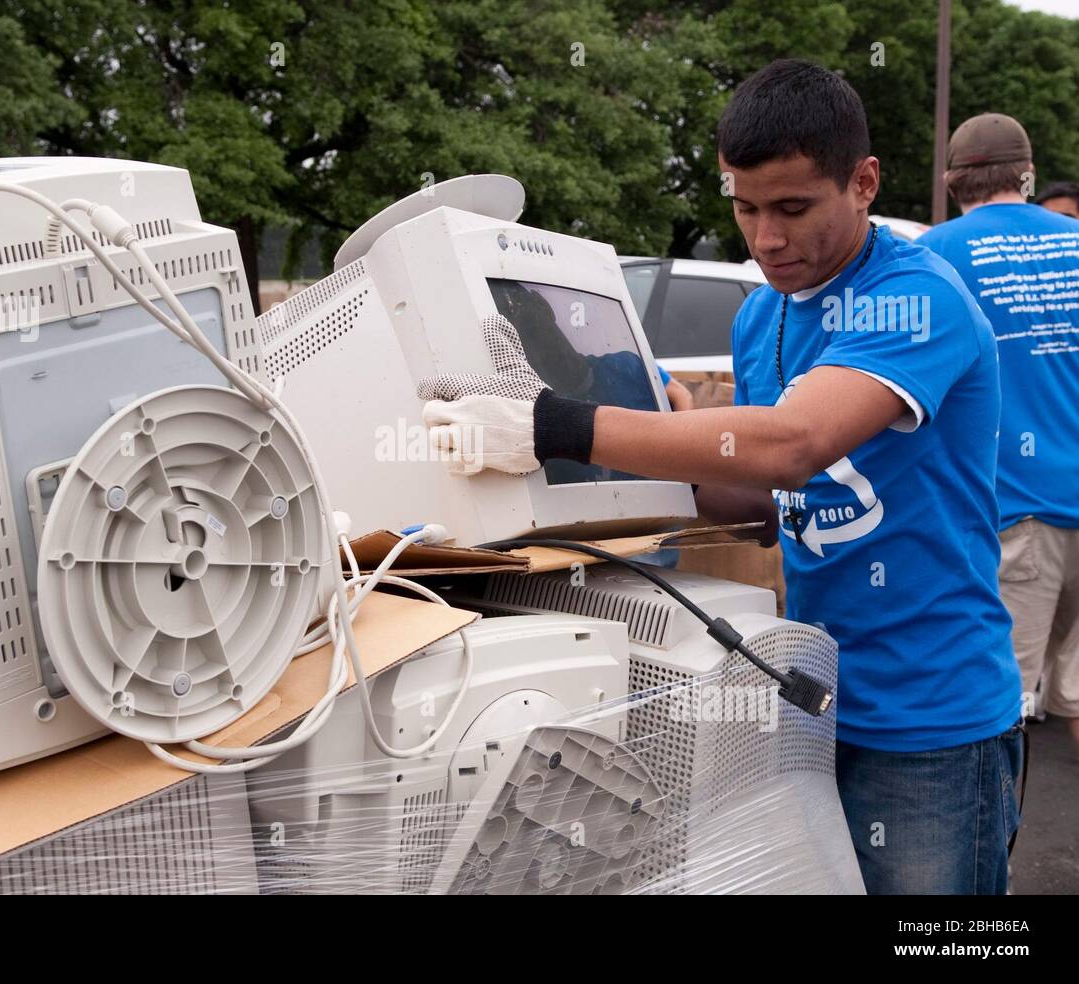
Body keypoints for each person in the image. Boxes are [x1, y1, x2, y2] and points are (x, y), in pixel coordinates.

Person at [417, 59, 1023, 894]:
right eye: (745, 208)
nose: (766, 239)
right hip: (813, 696)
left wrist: (552, 423)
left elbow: (795, 445)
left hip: (931, 723)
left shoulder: (918, 300)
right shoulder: (762, 314)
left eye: (794, 208)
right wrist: (650, 446)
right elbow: (760, 496)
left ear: (864, 183)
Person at [919, 115, 1079, 760]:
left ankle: (991, 859)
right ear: (1028, 173)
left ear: (953, 179)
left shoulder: (936, 254)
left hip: (1014, 514)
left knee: (997, 705)